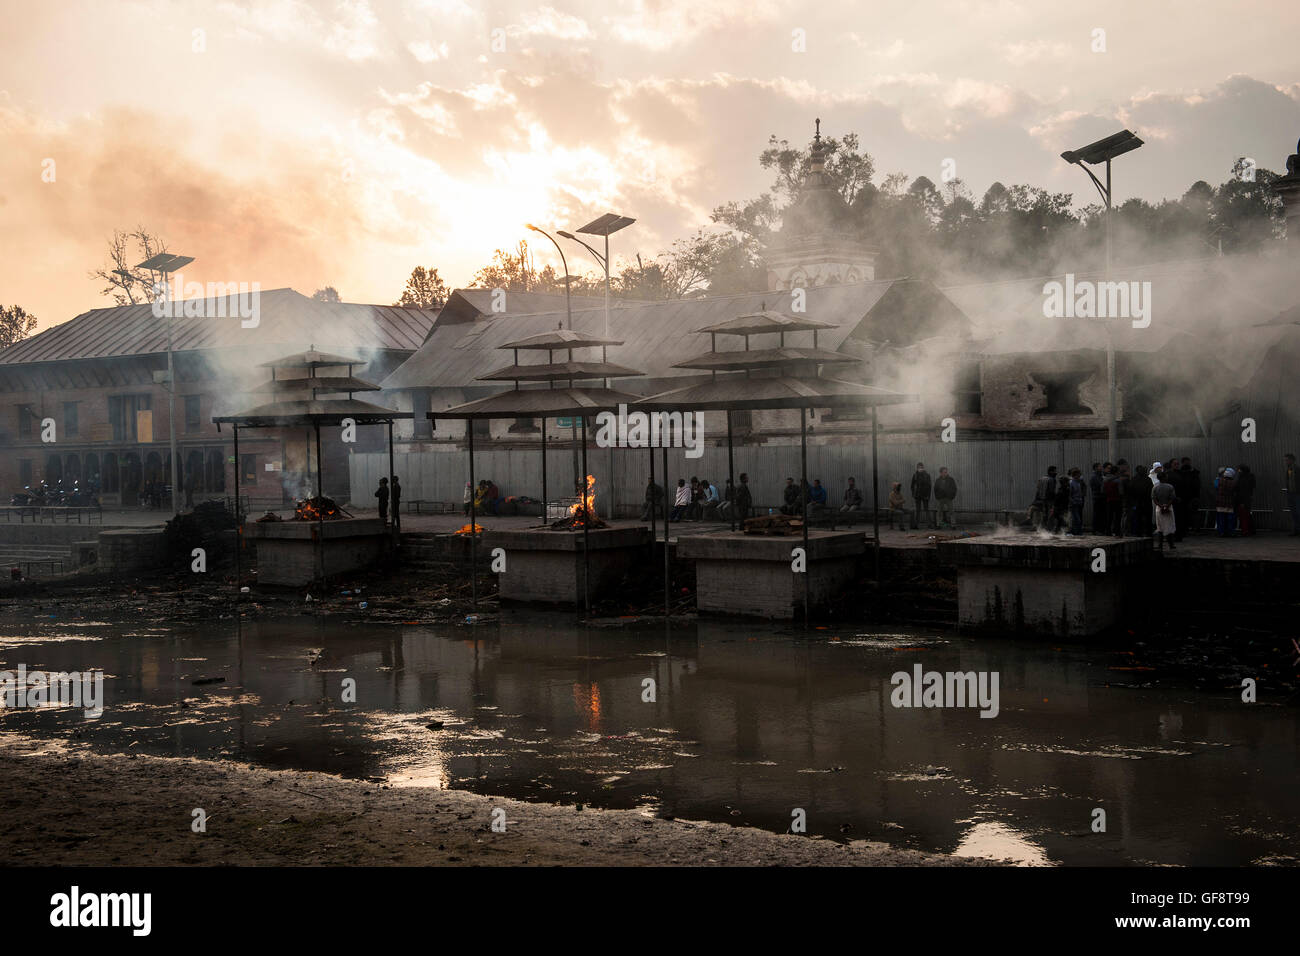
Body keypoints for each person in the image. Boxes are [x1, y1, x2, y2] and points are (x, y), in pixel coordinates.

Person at [1151, 465, 1177, 550]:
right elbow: (1172, 498)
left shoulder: (1155, 487)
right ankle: (1171, 545)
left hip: (1159, 508)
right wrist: (1167, 506)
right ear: (1165, 477)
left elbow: (1154, 499)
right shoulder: (1170, 486)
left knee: (1160, 527)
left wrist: (1161, 506)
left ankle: (1160, 545)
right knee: (1170, 526)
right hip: (1169, 507)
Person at [1127, 464, 1151, 538]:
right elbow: (1150, 490)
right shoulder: (1147, 479)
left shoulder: (1133, 479)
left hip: (1137, 502)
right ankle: (1148, 533)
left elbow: (1130, 491)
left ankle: (1139, 533)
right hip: (1146, 502)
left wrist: (1133, 502)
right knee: (1147, 519)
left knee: (1138, 518)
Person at [1214, 466, 1237, 537]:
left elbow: (1216, 488)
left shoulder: (1219, 480)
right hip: (1229, 502)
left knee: (1221, 518)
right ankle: (1230, 532)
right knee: (1230, 519)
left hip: (1220, 502)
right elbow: (1235, 492)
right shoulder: (1233, 483)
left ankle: (1221, 532)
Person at [1234, 464, 1256, 536]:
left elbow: (1241, 491)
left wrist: (1241, 502)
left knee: (1243, 517)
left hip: (1242, 500)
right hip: (1247, 499)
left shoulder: (1243, 479)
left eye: (1239, 469)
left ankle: (1245, 531)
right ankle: (1250, 530)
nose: (1238, 471)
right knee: (1247, 515)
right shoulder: (1250, 477)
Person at [1104, 465, 1125, 536]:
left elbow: (1102, 490)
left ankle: (1108, 531)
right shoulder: (1118, 481)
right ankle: (1117, 531)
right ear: (1116, 472)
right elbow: (1121, 492)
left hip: (1108, 499)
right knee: (1117, 517)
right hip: (1117, 500)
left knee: (1109, 516)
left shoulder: (1105, 480)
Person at [910, 462, 932, 529]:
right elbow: (912, 486)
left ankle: (929, 524)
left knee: (926, 510)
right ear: (917, 468)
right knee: (918, 510)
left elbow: (929, 486)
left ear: (923, 467)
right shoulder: (915, 475)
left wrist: (928, 495)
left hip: (925, 495)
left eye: (921, 467)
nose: (920, 469)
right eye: (919, 467)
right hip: (917, 495)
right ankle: (916, 524)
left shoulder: (927, 475)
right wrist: (913, 494)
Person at [1067, 467, 1087, 536]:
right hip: (1074, 504)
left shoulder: (1078, 483)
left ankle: (1075, 532)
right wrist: (1072, 502)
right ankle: (1077, 532)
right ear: (1075, 475)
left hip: (1078, 502)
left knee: (1077, 518)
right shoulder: (1071, 483)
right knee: (1077, 519)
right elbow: (1069, 494)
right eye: (1079, 475)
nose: (1080, 476)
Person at [1090, 463, 1107, 534]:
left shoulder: (1100, 476)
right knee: (1097, 514)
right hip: (1097, 497)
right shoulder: (1094, 477)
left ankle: (1100, 529)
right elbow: (1100, 485)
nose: (1101, 468)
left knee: (1101, 514)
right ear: (1095, 468)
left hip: (1101, 497)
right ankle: (1095, 530)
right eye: (1099, 467)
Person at [1285, 454, 1299, 535]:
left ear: (1292, 460)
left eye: (1287, 460)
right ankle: (1296, 530)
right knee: (1293, 513)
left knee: (1298, 512)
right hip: (1291, 493)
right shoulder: (1288, 469)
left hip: (1297, 494)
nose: (1286, 461)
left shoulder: (1297, 469)